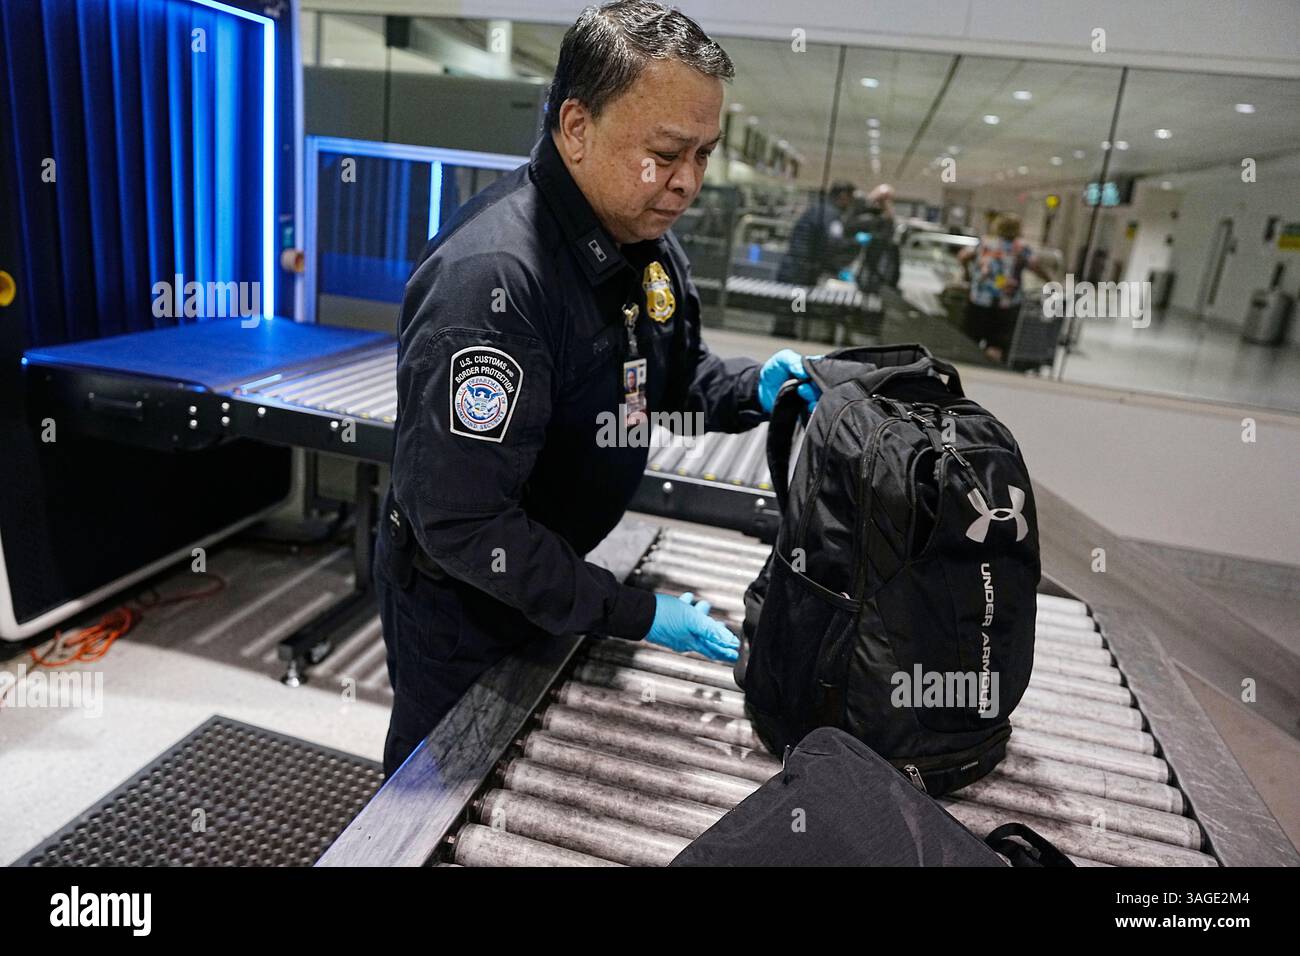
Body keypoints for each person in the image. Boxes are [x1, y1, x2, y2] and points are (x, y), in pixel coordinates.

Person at [374, 0, 820, 777]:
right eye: (666, 153)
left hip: (554, 570)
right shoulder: (494, 284)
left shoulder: (644, 246)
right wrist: (632, 611)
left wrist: (759, 389)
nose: (688, 183)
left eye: (704, 155)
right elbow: (464, 524)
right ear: (576, 128)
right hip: (464, 607)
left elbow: (670, 383)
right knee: (439, 789)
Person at [958, 213, 1052, 362]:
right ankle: (990, 368)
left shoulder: (985, 243)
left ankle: (970, 364)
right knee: (997, 343)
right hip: (1007, 303)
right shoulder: (1021, 248)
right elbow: (1035, 267)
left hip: (979, 299)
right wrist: (1050, 281)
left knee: (971, 339)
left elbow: (963, 256)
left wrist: (967, 274)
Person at [776, 180, 858, 286]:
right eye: (851, 198)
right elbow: (834, 242)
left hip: (795, 268)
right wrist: (855, 242)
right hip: (801, 273)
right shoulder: (829, 213)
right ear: (843, 195)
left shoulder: (820, 208)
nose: (851, 203)